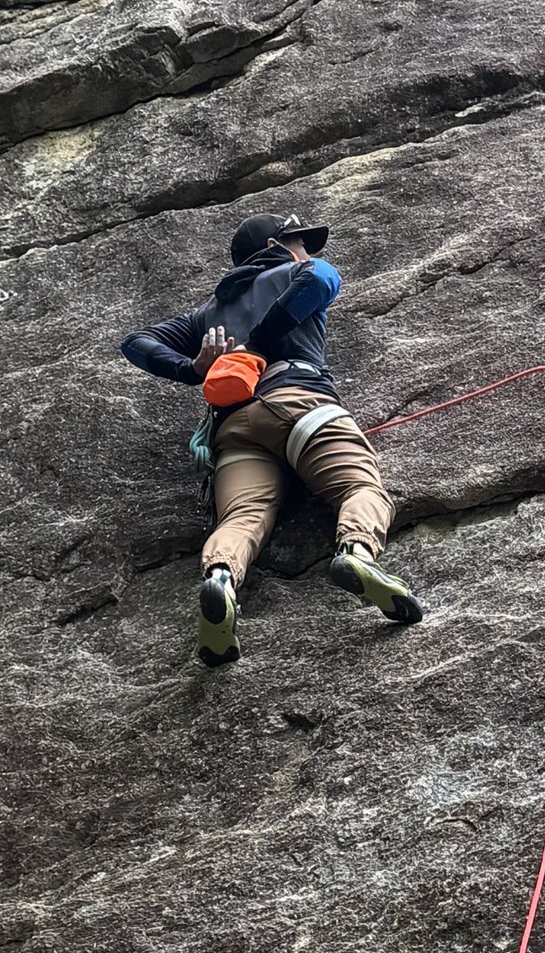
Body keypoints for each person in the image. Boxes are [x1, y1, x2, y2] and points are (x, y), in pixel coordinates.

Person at [120, 212, 422, 666]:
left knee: (242, 516)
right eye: (300, 242)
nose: (306, 250)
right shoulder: (301, 270)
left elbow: (135, 342)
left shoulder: (206, 315)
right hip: (299, 401)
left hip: (234, 429)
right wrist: (259, 344)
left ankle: (221, 578)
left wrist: (193, 368)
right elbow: (320, 281)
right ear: (276, 246)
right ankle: (357, 553)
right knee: (360, 487)